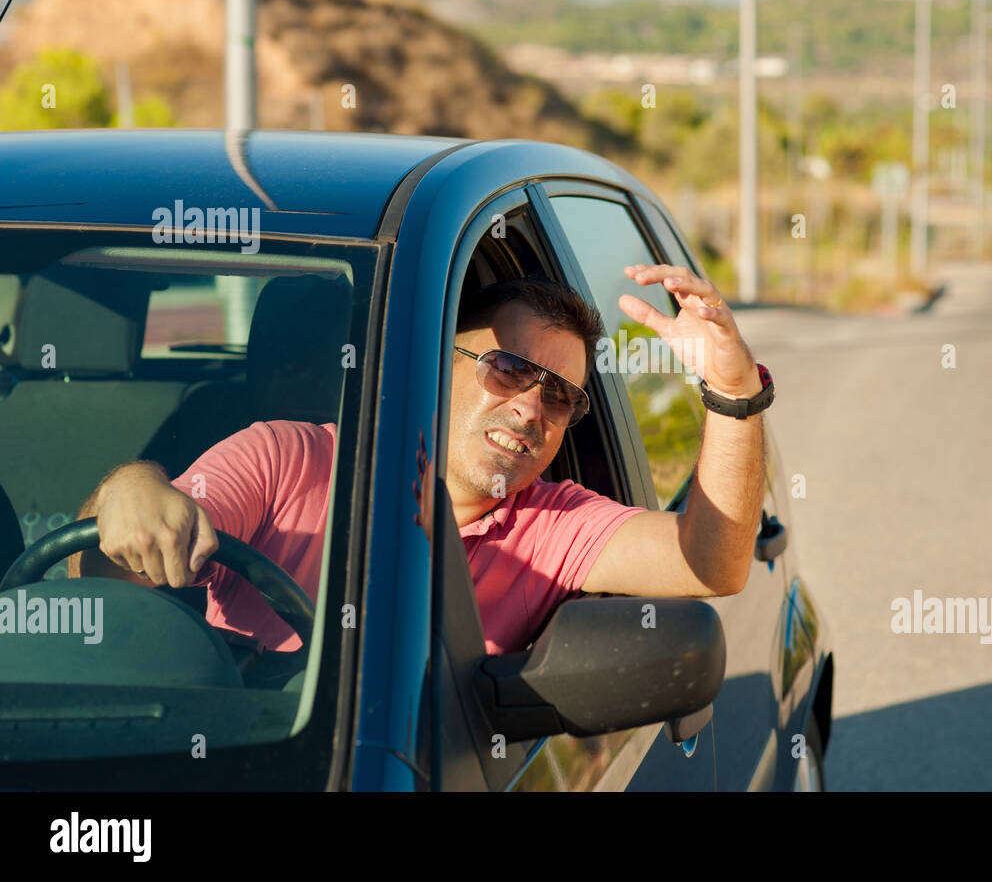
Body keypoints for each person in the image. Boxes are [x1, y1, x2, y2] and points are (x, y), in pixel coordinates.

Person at [70, 263, 772, 655]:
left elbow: (711, 560)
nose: (531, 408)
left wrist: (735, 393)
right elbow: (106, 567)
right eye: (507, 368)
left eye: (559, 396)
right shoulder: (287, 456)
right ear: (437, 365)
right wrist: (131, 487)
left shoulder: (552, 524)